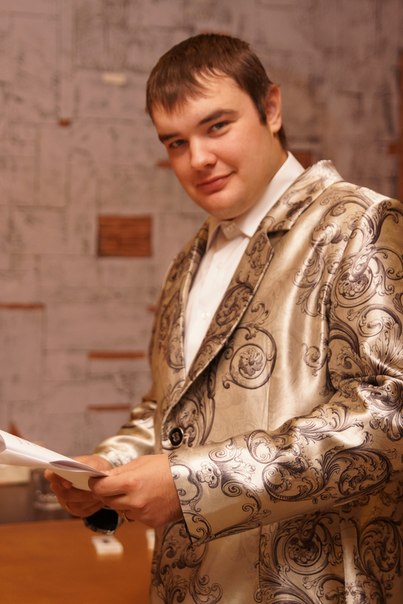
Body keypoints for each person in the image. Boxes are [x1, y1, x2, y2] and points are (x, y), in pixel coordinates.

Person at [46, 33, 403, 603]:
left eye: (216, 126)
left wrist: (192, 484)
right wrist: (105, 470)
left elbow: (390, 416)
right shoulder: (188, 260)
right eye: (176, 142)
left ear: (271, 108)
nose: (198, 159)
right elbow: (170, 410)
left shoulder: (358, 222)